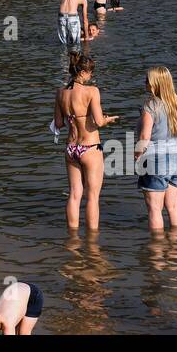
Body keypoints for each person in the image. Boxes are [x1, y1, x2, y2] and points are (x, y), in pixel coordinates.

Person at [53, 52, 117, 232]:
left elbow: (58, 123)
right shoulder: (92, 91)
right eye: (90, 72)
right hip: (89, 147)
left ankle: (72, 237)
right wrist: (108, 119)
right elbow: (97, 121)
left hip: (71, 148)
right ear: (82, 72)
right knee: (92, 197)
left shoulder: (60, 93)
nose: (91, 76)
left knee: (74, 194)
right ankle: (92, 241)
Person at [135, 66, 177, 231]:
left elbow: (144, 137)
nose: (145, 83)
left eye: (147, 80)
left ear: (155, 84)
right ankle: (175, 247)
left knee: (155, 209)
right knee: (173, 206)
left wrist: (137, 155)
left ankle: (156, 252)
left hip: (157, 158)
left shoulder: (151, 106)